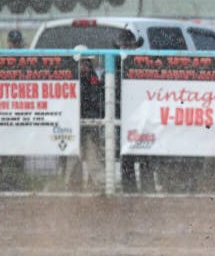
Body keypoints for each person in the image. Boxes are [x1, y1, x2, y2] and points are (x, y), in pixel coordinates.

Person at [113, 29, 155, 192]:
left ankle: (146, 189)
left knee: (144, 154)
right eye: (125, 47)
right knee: (128, 155)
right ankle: (130, 190)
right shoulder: (116, 66)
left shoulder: (141, 65)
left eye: (130, 47)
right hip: (125, 116)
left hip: (140, 116)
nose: (128, 50)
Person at [65, 45, 105, 190]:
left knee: (92, 156)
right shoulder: (70, 79)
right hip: (73, 125)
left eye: (86, 62)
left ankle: (99, 185)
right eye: (81, 62)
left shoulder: (93, 79)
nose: (84, 66)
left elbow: (96, 100)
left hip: (89, 124)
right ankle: (72, 187)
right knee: (73, 158)